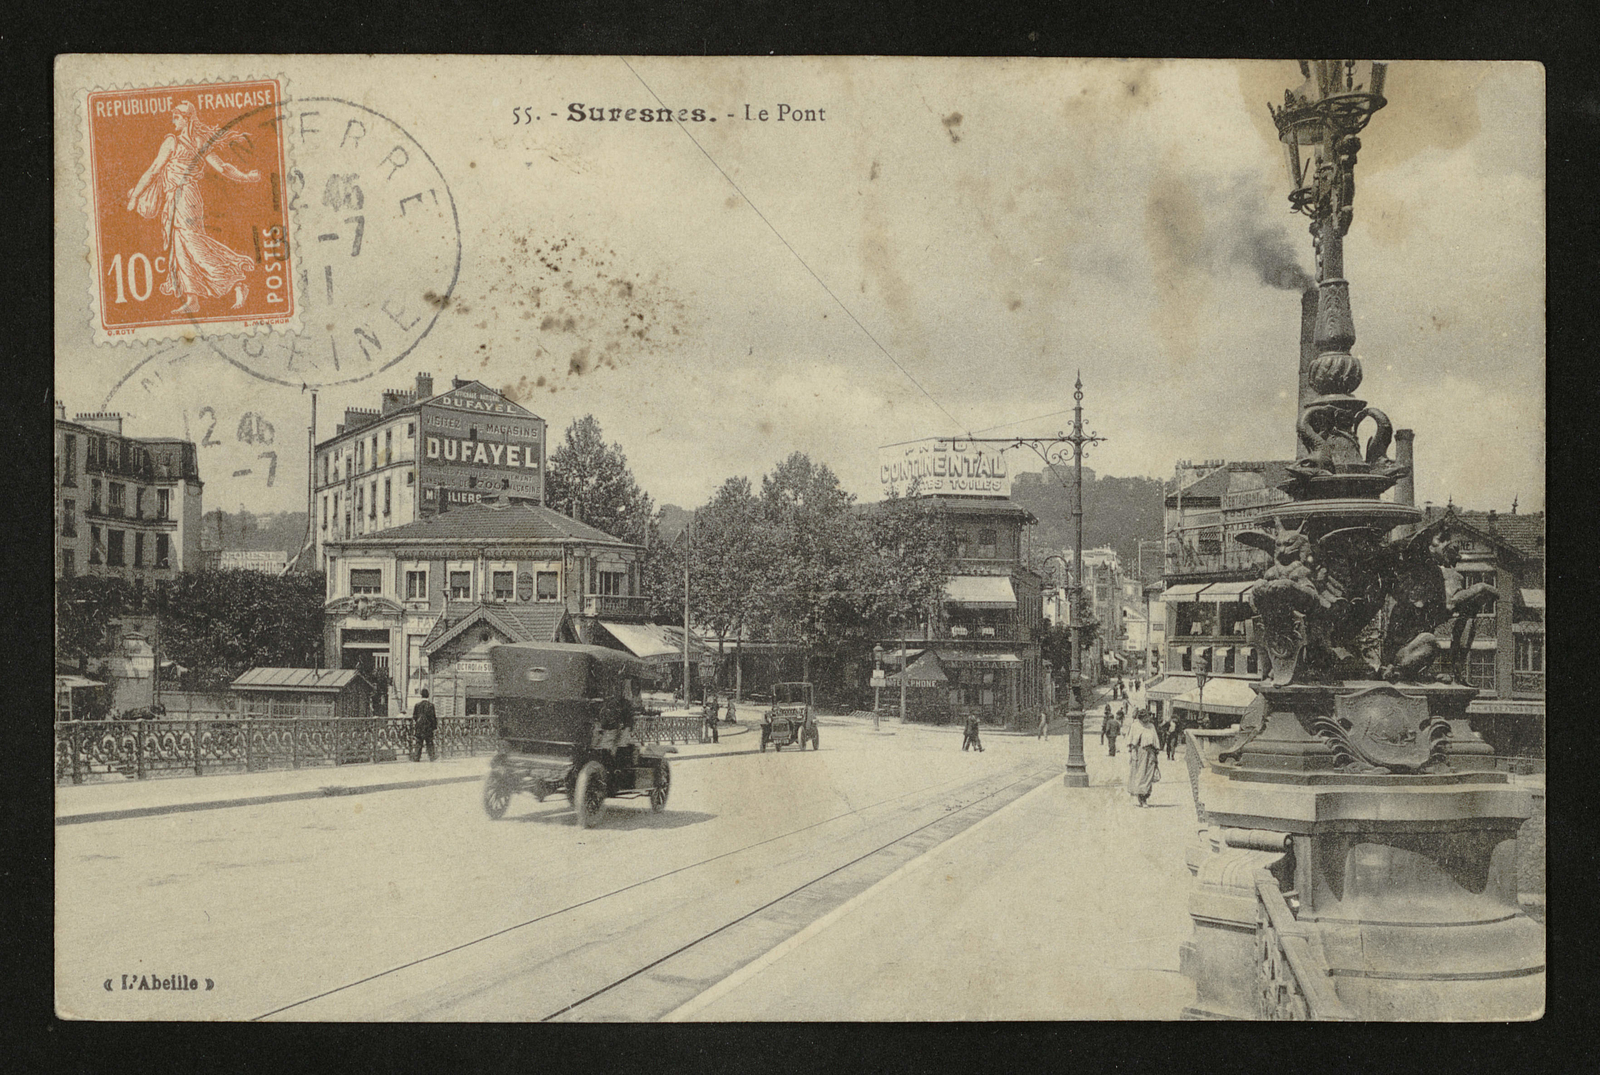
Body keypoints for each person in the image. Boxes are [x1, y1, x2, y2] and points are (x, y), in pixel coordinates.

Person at [125, 100, 261, 315]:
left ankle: (235, 281)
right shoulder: (197, 141)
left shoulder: (174, 142)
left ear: (186, 118)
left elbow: (153, 170)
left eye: (176, 117)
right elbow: (223, 167)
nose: (173, 121)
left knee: (193, 243)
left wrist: (135, 198)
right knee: (179, 247)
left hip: (185, 197)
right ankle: (192, 299)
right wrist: (246, 177)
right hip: (177, 198)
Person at [1126, 708, 1162, 806]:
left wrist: (1156, 753)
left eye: (1148, 717)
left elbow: (1155, 740)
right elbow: (1131, 740)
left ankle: (1145, 795)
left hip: (1150, 752)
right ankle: (1141, 797)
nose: (1147, 719)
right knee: (1140, 774)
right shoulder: (1135, 726)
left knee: (1149, 774)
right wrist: (1133, 752)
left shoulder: (1151, 726)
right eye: (1145, 717)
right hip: (1140, 752)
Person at [410, 689, 437, 762]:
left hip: (419, 727)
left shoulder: (417, 705)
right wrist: (434, 727)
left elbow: (414, 717)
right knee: (429, 743)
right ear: (428, 695)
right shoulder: (431, 705)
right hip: (428, 727)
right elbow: (433, 718)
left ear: (421, 695)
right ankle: (432, 757)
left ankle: (416, 757)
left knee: (418, 743)